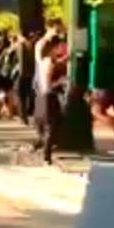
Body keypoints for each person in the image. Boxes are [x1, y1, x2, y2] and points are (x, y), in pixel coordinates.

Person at [34, 18, 69, 165]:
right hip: (48, 95)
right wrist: (60, 82)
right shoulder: (49, 62)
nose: (61, 49)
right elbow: (48, 81)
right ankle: (46, 156)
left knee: (48, 124)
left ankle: (42, 148)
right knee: (52, 126)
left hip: (42, 95)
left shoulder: (46, 60)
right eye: (59, 46)